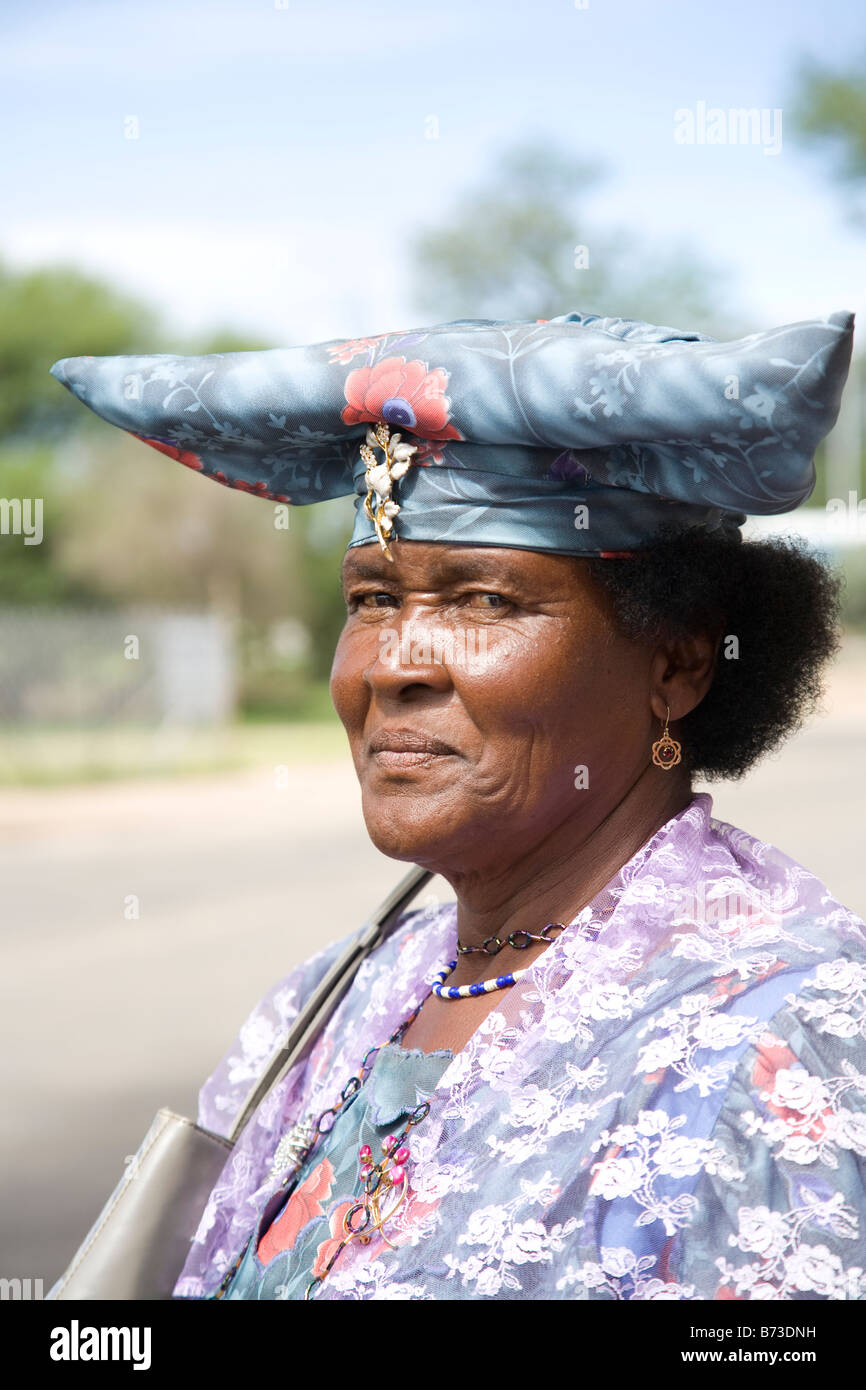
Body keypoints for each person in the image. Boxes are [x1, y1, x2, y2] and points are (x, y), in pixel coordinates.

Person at [51, 308, 866, 1301]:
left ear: (679, 662)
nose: (392, 665)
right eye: (371, 598)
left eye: (483, 600)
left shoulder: (774, 1036)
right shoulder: (342, 996)